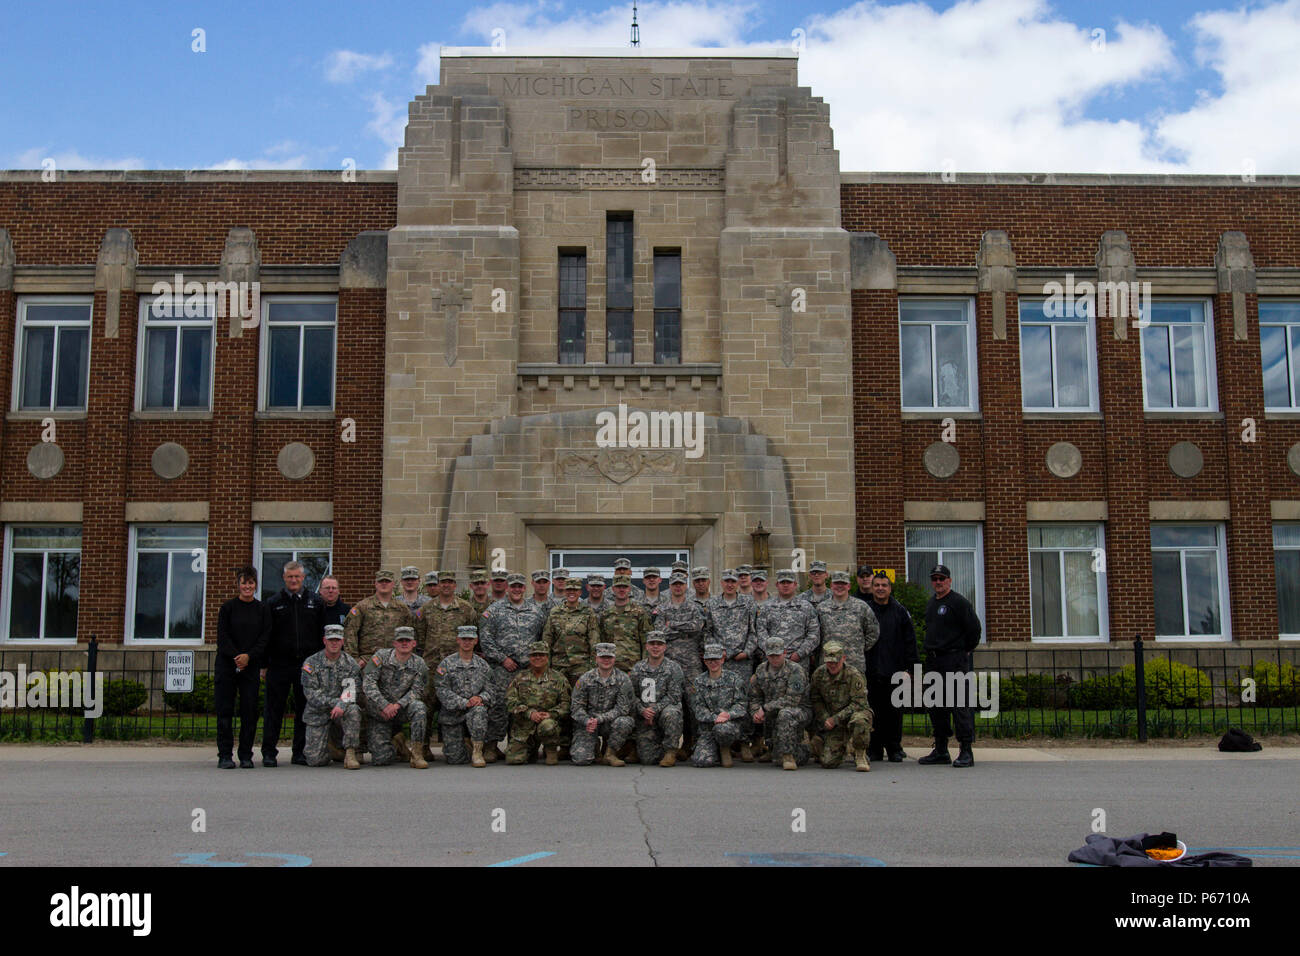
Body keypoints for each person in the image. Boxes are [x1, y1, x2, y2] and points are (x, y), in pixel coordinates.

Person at [343, 569, 416, 761]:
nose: (384, 584)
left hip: (394, 663)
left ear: (393, 585)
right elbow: (350, 633)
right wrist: (355, 659)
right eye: (380, 581)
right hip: (368, 662)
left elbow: (410, 635)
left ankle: (394, 740)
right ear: (375, 584)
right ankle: (357, 747)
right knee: (364, 702)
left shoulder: (402, 609)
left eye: (387, 581)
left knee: (392, 701)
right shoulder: (363, 607)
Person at [262, 560, 326, 767]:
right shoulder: (273, 603)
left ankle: (299, 752)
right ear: (284, 578)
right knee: (274, 710)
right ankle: (269, 752)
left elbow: (320, 635)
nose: (294, 580)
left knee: (303, 711)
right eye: (290, 577)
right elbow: (266, 636)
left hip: (306, 666)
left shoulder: (315, 602)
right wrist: (264, 664)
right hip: (278, 665)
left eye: (297, 576)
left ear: (303, 578)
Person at [480, 572, 548, 762]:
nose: (517, 590)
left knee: (525, 707)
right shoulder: (494, 610)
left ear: (525, 588)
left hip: (528, 670)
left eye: (520, 586)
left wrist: (536, 662)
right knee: (499, 706)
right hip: (503, 669)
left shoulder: (536, 611)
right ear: (507, 588)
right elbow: (485, 640)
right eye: (513, 586)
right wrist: (503, 659)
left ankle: (519, 745)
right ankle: (491, 746)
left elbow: (543, 638)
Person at [920, 564, 981, 769]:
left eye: (942, 579)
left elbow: (974, 629)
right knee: (936, 706)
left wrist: (964, 650)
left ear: (949, 581)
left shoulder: (958, 602)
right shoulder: (931, 603)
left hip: (953, 661)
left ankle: (966, 750)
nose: (938, 582)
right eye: (935, 579)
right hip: (934, 661)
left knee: (959, 705)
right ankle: (941, 749)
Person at [215, 567, 270, 769]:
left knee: (249, 711)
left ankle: (246, 754)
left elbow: (265, 637)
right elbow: (222, 636)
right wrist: (237, 656)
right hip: (227, 666)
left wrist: (249, 656)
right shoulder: (228, 608)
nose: (248, 586)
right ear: (238, 585)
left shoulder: (263, 609)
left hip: (251, 666)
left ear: (255, 585)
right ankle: (225, 755)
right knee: (225, 711)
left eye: (251, 582)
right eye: (244, 583)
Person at [652, 570, 708, 760]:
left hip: (691, 663)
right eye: (674, 584)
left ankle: (695, 742)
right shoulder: (662, 608)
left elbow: (697, 627)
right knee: (669, 704)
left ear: (686, 586)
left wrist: (672, 626)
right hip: (667, 664)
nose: (678, 587)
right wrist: (683, 627)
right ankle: (668, 745)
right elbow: (659, 632)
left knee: (694, 704)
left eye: (681, 584)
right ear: (670, 586)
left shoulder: (694, 607)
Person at [865, 572, 917, 762]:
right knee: (874, 711)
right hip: (872, 670)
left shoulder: (900, 611)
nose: (880, 588)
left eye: (884, 585)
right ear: (872, 588)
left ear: (890, 588)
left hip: (896, 671)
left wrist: (911, 669)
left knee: (894, 713)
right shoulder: (867, 610)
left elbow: (910, 641)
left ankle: (894, 748)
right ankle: (875, 748)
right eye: (876, 585)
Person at [362, 626, 430, 768]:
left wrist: (397, 705)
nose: (404, 643)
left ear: (414, 644)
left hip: (402, 710)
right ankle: (397, 743)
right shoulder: (380, 657)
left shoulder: (419, 664)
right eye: (400, 641)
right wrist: (384, 705)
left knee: (419, 707)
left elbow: (417, 691)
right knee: (381, 759)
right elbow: (368, 684)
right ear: (394, 643)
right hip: (380, 712)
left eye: (407, 640)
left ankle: (416, 753)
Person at [300, 624, 362, 769]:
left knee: (353, 710)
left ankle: (350, 753)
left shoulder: (351, 664)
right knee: (315, 761)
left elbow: (353, 689)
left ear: (342, 642)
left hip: (342, 711)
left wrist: (342, 705)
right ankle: (330, 746)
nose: (334, 643)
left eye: (337, 640)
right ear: (324, 641)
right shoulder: (311, 663)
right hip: (318, 712)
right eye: (331, 640)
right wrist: (336, 702)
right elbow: (311, 694)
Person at [435, 625, 494, 767]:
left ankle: (477, 751)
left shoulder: (483, 665)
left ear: (476, 641)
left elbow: (491, 690)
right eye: (463, 639)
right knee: (455, 759)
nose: (467, 642)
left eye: (470, 639)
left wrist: (480, 698)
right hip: (452, 714)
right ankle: (465, 745)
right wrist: (464, 702)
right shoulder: (446, 664)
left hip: (474, 711)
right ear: (458, 640)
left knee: (479, 711)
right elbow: (441, 690)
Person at [749, 636, 811, 770]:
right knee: (772, 712)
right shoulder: (761, 670)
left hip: (798, 711)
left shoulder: (796, 670)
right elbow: (755, 696)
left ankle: (789, 755)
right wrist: (756, 712)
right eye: (771, 655)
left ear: (784, 653)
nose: (774, 659)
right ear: (766, 655)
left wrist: (765, 709)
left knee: (784, 713)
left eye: (777, 655)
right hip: (772, 711)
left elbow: (792, 700)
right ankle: (773, 748)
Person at [810, 641, 873, 771]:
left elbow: (858, 703)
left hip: (853, 714)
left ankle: (860, 753)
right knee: (828, 763)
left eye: (836, 662)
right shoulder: (818, 675)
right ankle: (842, 747)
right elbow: (816, 699)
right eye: (829, 662)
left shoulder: (854, 675)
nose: (832, 665)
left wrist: (836, 719)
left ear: (843, 658)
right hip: (833, 720)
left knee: (859, 721)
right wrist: (825, 718)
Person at [504, 642, 571, 765]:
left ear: (547, 657)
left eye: (541, 655)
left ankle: (551, 750)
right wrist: (529, 713)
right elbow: (510, 701)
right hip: (525, 725)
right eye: (534, 655)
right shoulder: (520, 678)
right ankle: (531, 749)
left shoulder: (559, 678)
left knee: (548, 726)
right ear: (529, 658)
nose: (538, 658)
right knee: (514, 760)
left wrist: (551, 714)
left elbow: (566, 704)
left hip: (548, 723)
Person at [570, 643, 635, 766]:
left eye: (609, 657)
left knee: (625, 721)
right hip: (589, 724)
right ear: (596, 659)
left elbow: (623, 709)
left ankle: (610, 754)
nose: (606, 660)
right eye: (602, 657)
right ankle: (594, 747)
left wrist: (600, 719)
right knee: (581, 760)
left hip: (610, 723)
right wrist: (586, 720)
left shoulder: (623, 679)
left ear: (614, 659)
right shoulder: (585, 679)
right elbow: (576, 707)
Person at [629, 631, 685, 767]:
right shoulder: (638, 668)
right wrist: (642, 710)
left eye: (659, 644)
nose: (655, 647)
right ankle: (650, 746)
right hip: (645, 716)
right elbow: (632, 695)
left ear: (665, 647)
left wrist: (654, 710)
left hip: (663, 712)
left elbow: (674, 695)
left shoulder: (673, 668)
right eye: (652, 644)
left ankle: (671, 751)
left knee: (672, 713)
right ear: (646, 646)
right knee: (648, 760)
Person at [688, 644, 749, 767]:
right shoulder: (699, 681)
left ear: (722, 660)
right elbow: (698, 708)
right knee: (702, 762)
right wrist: (714, 718)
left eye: (716, 659)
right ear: (705, 661)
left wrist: (728, 715)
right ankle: (714, 749)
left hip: (729, 725)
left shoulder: (734, 679)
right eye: (709, 660)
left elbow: (742, 704)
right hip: (708, 727)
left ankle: (724, 749)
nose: (713, 663)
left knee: (722, 730)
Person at [816, 571, 880, 679]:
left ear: (849, 586)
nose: (840, 586)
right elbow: (816, 635)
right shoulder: (821, 608)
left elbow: (873, 631)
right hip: (828, 665)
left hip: (854, 664)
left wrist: (858, 647)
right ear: (831, 586)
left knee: (856, 695)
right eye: (836, 583)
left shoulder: (861, 607)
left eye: (843, 583)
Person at [755, 569, 820, 666]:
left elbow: (814, 634)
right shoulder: (767, 607)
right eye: (782, 582)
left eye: (789, 582)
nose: (785, 585)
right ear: (777, 585)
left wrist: (799, 654)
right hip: (772, 662)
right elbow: (760, 632)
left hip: (798, 662)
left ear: (795, 584)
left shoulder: (806, 607)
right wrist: (773, 653)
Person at [599, 573, 650, 674]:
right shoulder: (606, 615)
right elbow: (602, 642)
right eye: (618, 587)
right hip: (610, 668)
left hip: (634, 668)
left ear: (629, 589)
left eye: (624, 587)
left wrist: (644, 666)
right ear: (613, 589)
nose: (621, 590)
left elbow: (646, 642)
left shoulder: (639, 613)